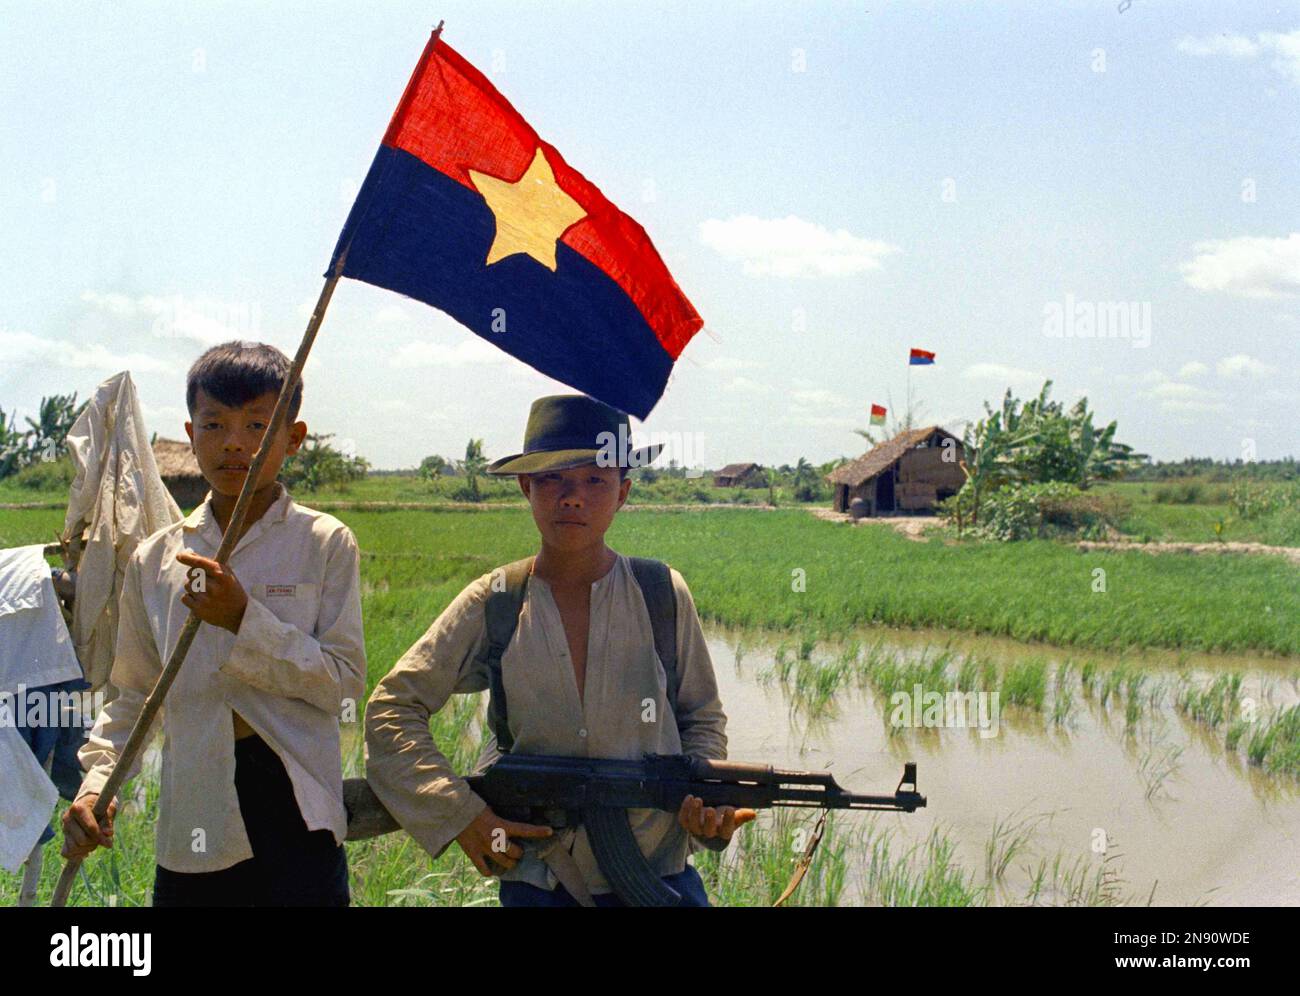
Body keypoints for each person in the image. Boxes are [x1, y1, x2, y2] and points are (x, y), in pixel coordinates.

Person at [365, 394, 754, 907]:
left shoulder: (662, 592)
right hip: (539, 882)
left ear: (623, 494)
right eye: (553, 479)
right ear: (527, 488)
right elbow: (393, 708)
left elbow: (701, 718)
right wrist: (461, 817)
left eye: (596, 480)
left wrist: (705, 797)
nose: (573, 497)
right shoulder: (496, 600)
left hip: (656, 874)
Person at [61, 341, 367, 907]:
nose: (234, 442)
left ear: (292, 439)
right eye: (215, 424)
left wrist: (243, 621)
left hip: (297, 813)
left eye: (258, 424)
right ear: (190, 433)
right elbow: (132, 697)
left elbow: (344, 683)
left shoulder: (323, 544)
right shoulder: (156, 561)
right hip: (194, 819)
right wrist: (97, 786)